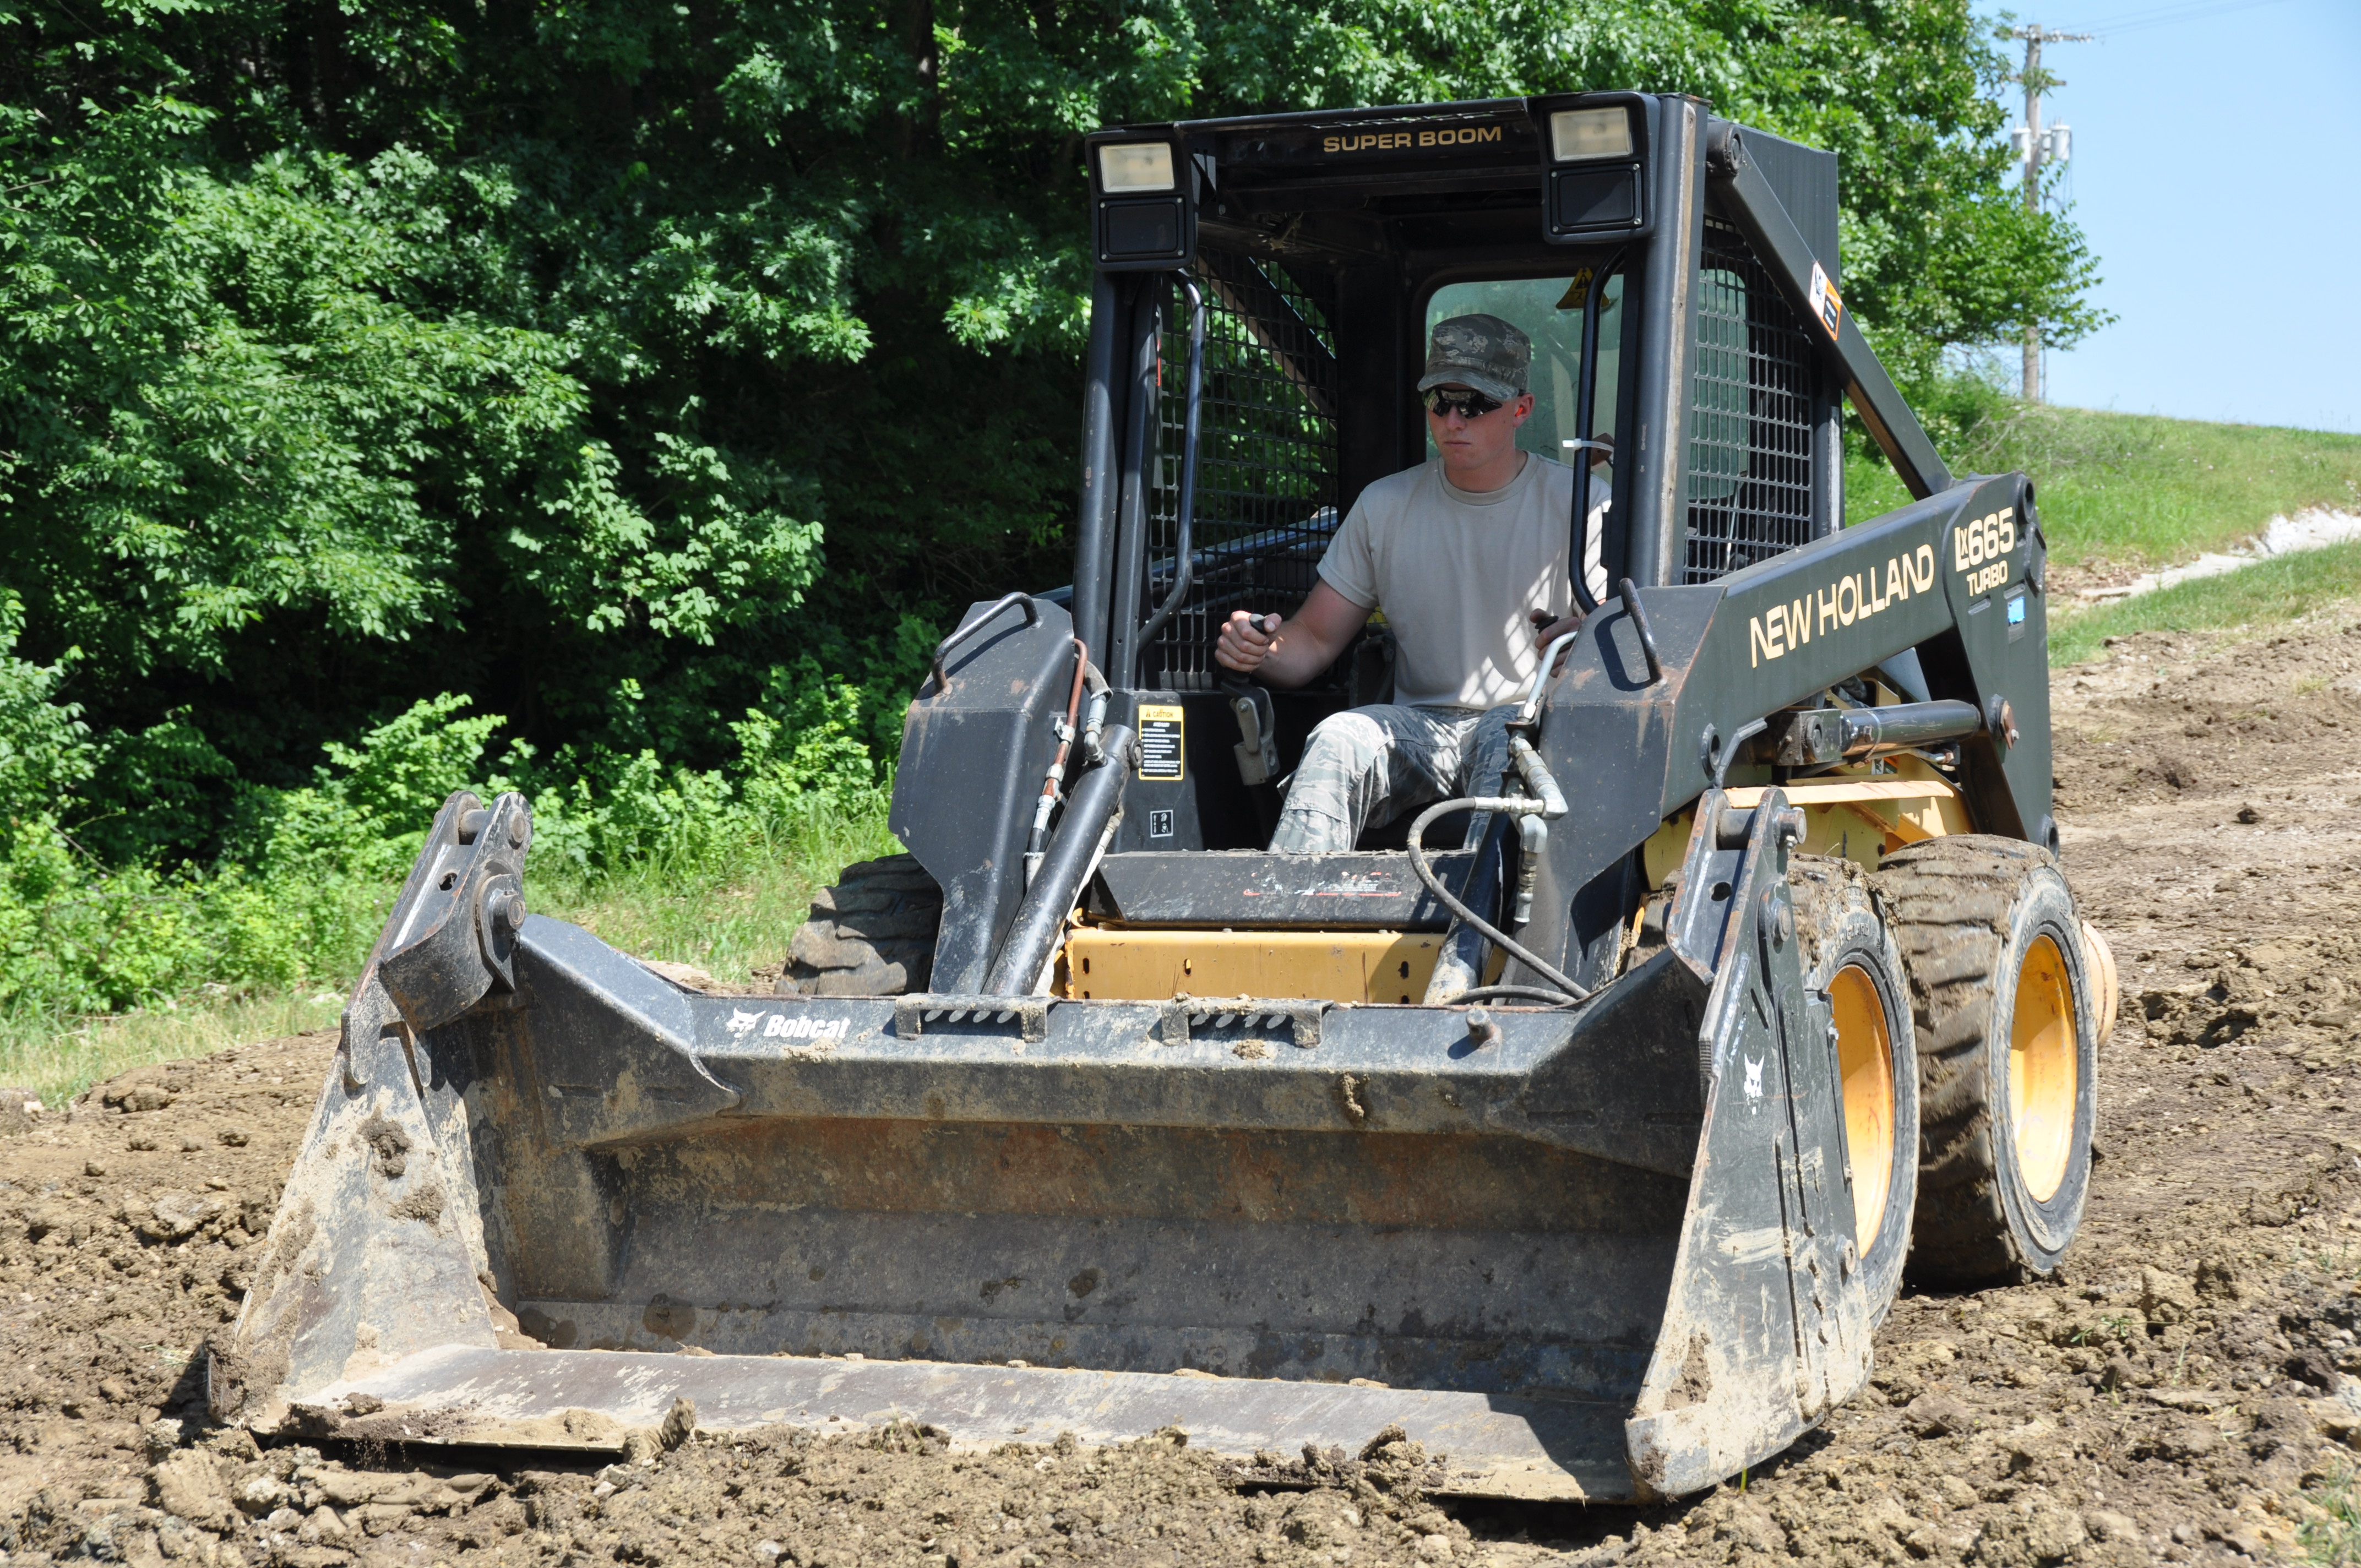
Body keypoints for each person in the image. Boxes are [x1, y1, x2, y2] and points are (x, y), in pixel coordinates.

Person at [1214, 312, 1583, 856]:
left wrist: (1584, 642)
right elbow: (1311, 642)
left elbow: (1618, 649)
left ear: (1520, 409)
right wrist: (1256, 649)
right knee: (1338, 737)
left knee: (1506, 744)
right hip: (1420, 726)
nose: (1452, 420)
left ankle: (1484, 934)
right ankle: (1289, 919)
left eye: (1474, 403)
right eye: (1439, 401)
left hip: (1526, 721)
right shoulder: (1385, 506)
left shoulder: (1580, 505)